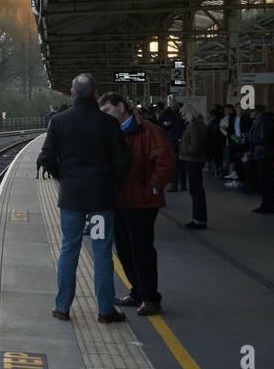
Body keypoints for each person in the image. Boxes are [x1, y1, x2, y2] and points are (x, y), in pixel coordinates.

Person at [37, 74, 129, 322]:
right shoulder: (109, 124)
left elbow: (46, 158)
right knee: (101, 252)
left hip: (72, 200)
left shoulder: (59, 121)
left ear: (72, 91)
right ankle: (105, 310)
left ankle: (62, 307)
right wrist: (111, 184)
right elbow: (123, 162)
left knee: (69, 249)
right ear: (96, 91)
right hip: (100, 200)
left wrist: (64, 178)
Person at [100, 93, 176, 316]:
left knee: (141, 249)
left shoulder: (148, 130)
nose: (105, 116)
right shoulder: (112, 132)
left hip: (142, 201)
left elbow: (166, 160)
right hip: (119, 199)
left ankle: (151, 297)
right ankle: (137, 291)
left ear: (121, 107)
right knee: (124, 248)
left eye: (107, 111)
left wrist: (154, 186)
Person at [177, 103, 209, 230]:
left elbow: (194, 147)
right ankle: (198, 219)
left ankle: (199, 220)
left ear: (189, 113)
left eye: (184, 115)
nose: (183, 117)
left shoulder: (196, 127)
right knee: (196, 191)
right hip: (193, 160)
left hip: (193, 161)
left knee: (196, 191)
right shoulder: (196, 126)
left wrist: (182, 146)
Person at [247, 105, 274, 212]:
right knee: (265, 180)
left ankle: (269, 205)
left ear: (258, 112)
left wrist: (250, 138)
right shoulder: (261, 121)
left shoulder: (265, 122)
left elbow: (263, 138)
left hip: (265, 154)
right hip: (262, 153)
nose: (251, 114)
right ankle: (265, 203)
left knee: (267, 180)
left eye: (252, 112)